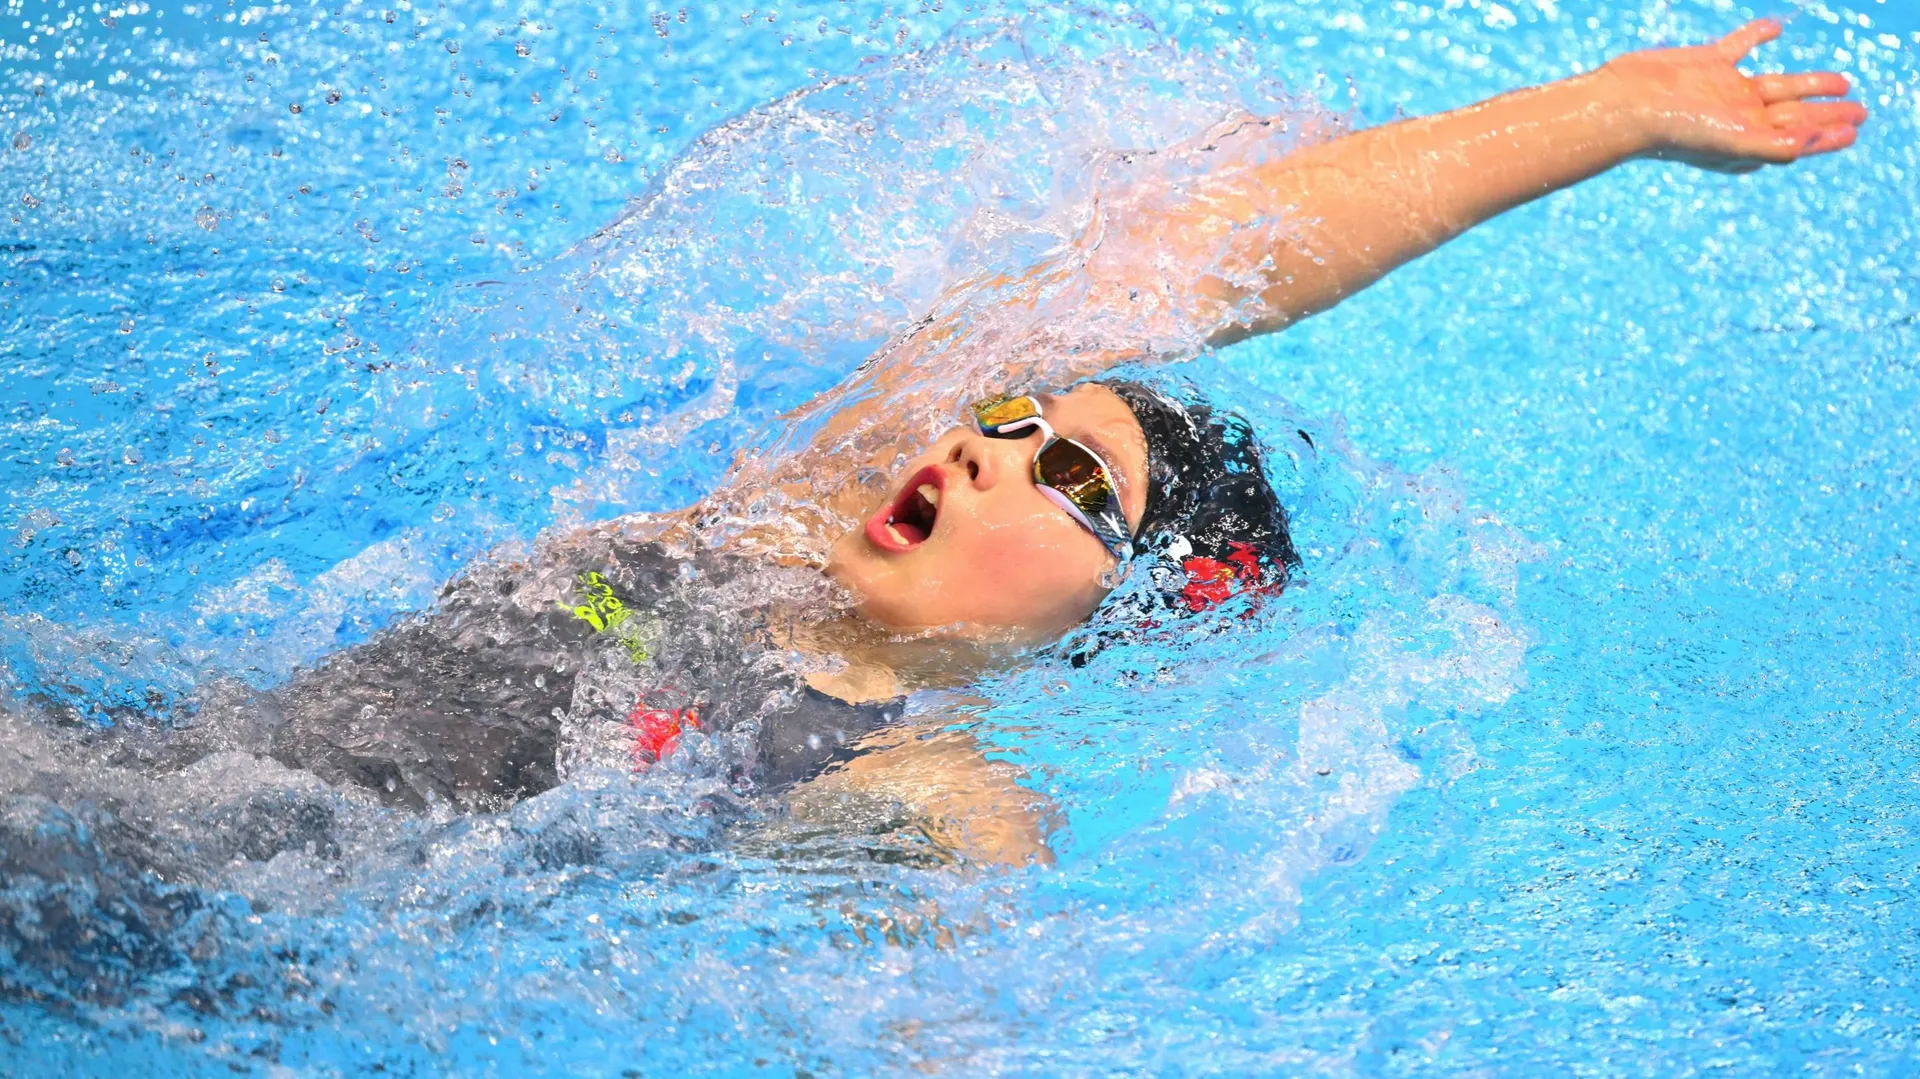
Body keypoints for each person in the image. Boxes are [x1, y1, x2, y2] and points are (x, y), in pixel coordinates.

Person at [80, 18, 1876, 872]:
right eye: (1016, 415)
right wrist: (1617, 103)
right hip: (126, 768)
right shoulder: (766, 528)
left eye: (1080, 484)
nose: (1005, 444)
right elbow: (1201, 261)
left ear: (1110, 622)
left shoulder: (933, 791)